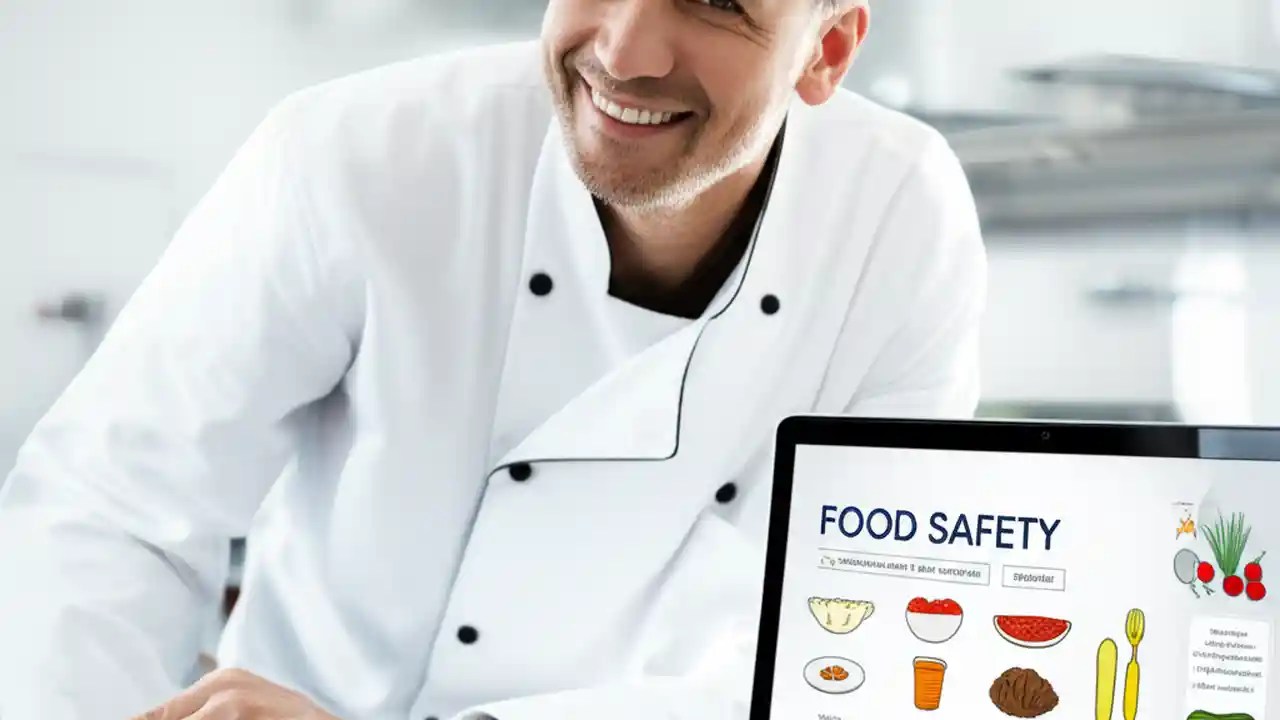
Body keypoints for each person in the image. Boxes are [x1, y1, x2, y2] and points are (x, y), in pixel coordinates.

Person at [0, 0, 986, 718]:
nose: (624, 50)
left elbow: (844, 648)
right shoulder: (362, 152)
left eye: (712, 2)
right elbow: (112, 509)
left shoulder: (893, 217)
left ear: (825, 51)